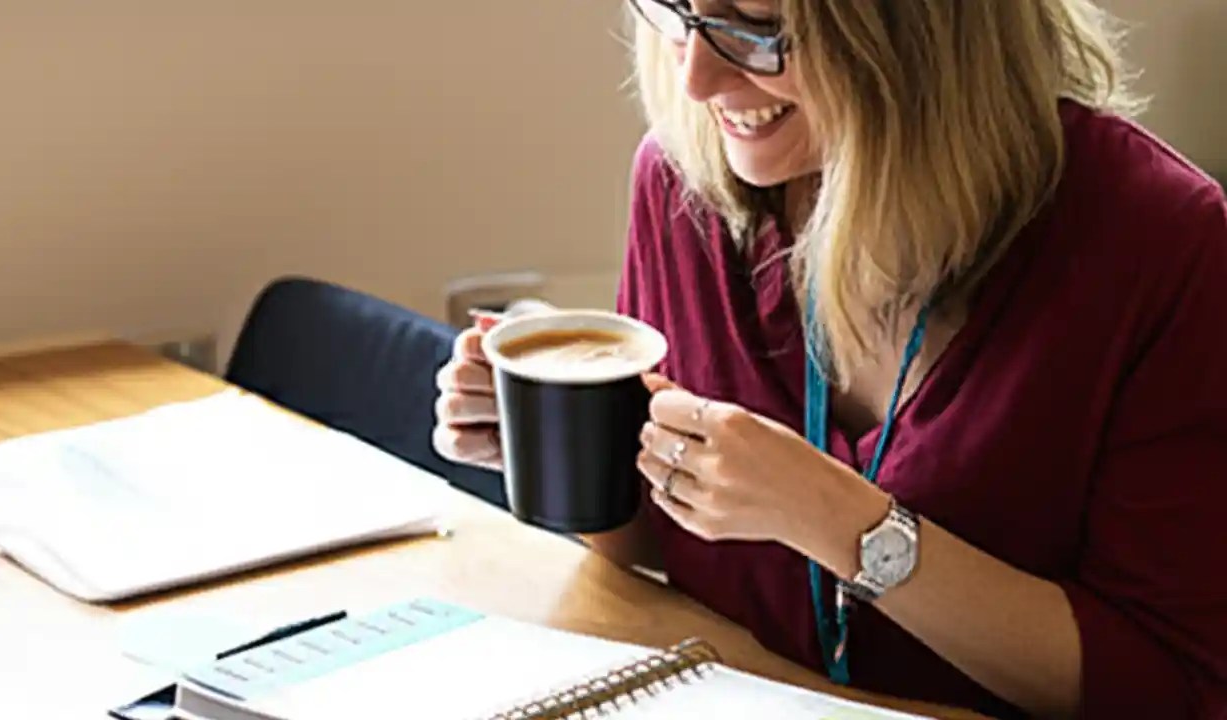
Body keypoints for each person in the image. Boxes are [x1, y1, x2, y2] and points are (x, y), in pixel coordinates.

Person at [432, 1, 1227, 717]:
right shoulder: (685, 186)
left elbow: (1173, 686)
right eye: (678, 11)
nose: (699, 79)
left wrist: (840, 520)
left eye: (760, 28)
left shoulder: (1162, 244)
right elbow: (668, 550)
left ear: (926, 32)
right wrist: (563, 448)